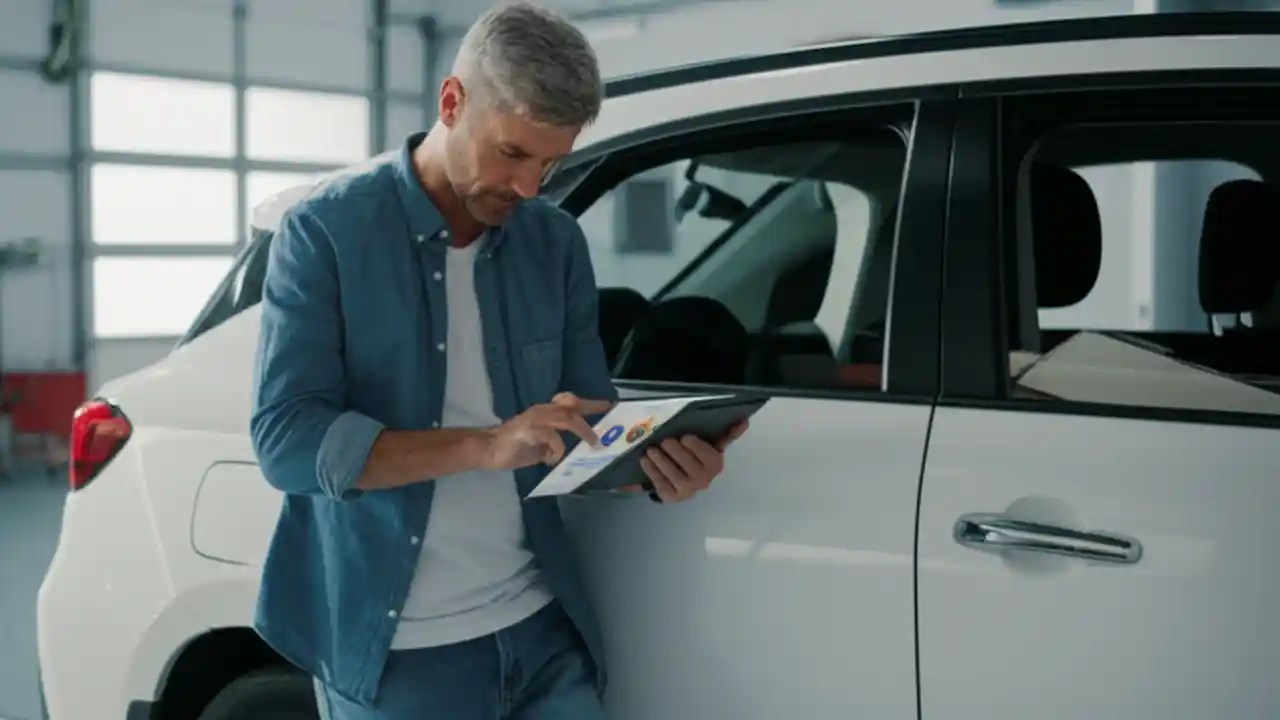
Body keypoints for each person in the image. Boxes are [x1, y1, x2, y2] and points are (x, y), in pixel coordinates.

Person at [248, 2, 748, 719]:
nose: (530, 188)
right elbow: (287, 444)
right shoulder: (325, 234)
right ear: (452, 102)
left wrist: (656, 463)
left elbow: (582, 418)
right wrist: (486, 445)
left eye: (551, 162)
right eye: (512, 153)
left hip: (544, 635)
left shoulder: (554, 244)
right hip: (400, 660)